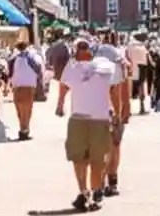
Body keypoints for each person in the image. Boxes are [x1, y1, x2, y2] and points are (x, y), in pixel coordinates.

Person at [56, 39, 120, 212]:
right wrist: (60, 104)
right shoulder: (71, 67)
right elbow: (63, 86)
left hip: (100, 118)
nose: (82, 51)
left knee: (98, 160)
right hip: (78, 117)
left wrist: (117, 112)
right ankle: (84, 191)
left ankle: (94, 190)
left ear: (92, 49)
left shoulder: (106, 66)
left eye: (85, 47)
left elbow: (114, 89)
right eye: (80, 47)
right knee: (78, 159)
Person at [93, 31, 130, 197]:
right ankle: (112, 182)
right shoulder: (117, 68)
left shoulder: (92, 68)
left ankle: (99, 183)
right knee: (115, 146)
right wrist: (124, 112)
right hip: (114, 113)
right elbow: (121, 92)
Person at [9, 41, 44, 140]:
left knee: (19, 110)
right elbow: (39, 69)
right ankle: (25, 130)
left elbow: (9, 73)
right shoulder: (32, 57)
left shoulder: (14, 58)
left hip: (16, 86)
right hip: (29, 85)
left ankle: (22, 129)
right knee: (27, 110)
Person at [125, 34, 151, 115]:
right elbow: (148, 57)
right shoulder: (142, 46)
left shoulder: (129, 46)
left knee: (129, 88)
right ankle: (142, 107)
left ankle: (128, 110)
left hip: (133, 67)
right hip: (142, 66)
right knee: (141, 86)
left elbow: (128, 57)